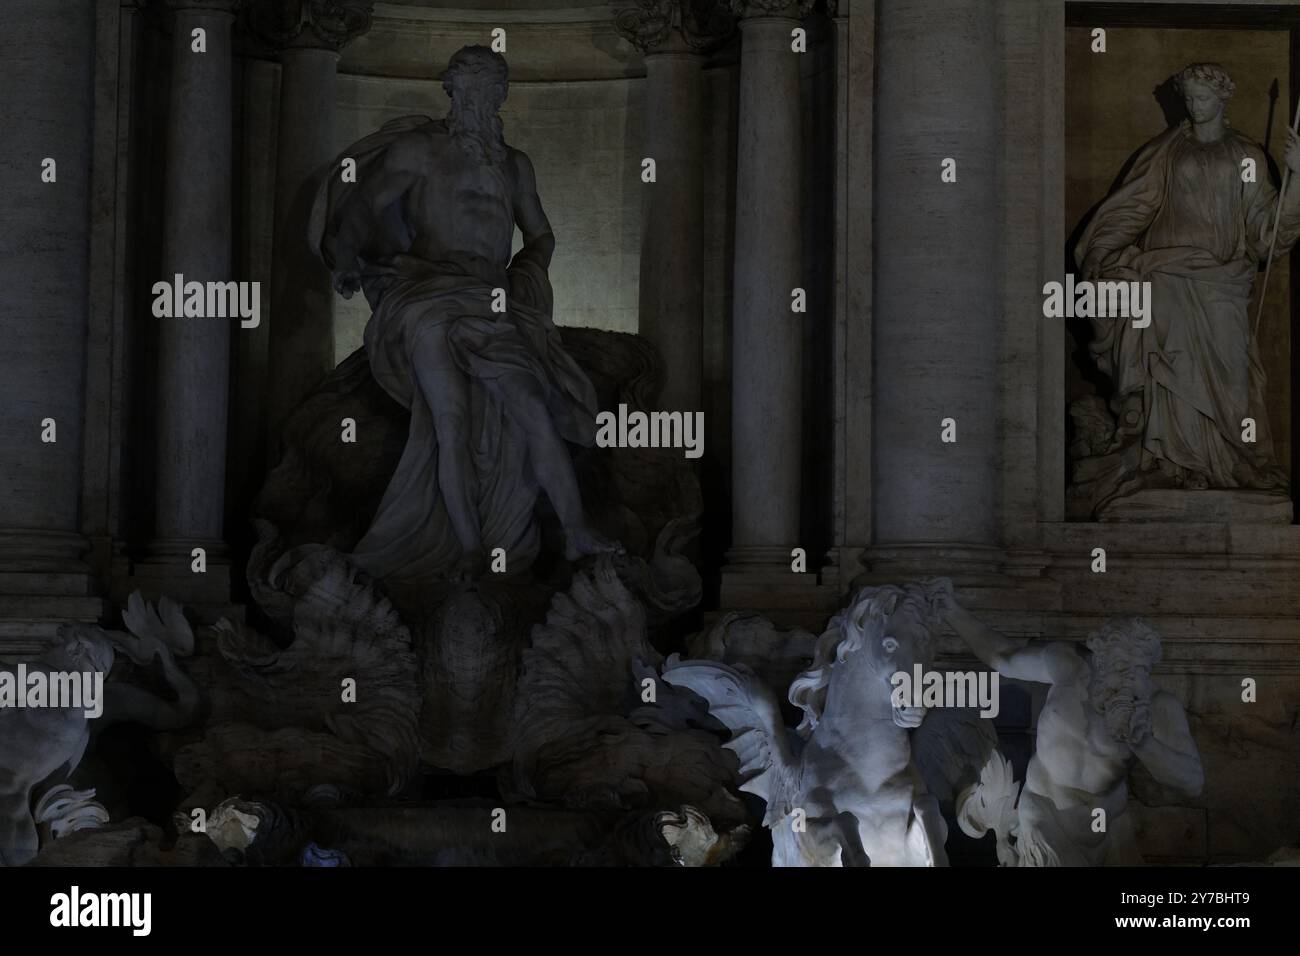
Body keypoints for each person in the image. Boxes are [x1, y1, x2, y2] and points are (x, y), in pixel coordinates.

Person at [311, 46, 617, 584]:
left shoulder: (514, 163)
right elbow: (362, 209)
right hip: (427, 293)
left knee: (534, 409)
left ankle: (576, 533)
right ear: (453, 89)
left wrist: (528, 273)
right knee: (448, 423)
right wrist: (347, 260)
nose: (487, 97)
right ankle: (471, 549)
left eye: (496, 87)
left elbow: (540, 233)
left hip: (493, 299)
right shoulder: (418, 150)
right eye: (476, 86)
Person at [1074, 63, 1300, 506]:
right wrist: (1102, 253)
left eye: (1204, 99)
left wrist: (1298, 180)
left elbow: (1266, 232)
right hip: (1166, 277)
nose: (1195, 107)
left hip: (1222, 285)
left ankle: (1234, 465)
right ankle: (1171, 465)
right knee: (1168, 370)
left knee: (1235, 376)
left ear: (1223, 100)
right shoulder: (1167, 152)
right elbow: (1136, 206)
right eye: (1190, 98)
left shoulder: (1246, 159)